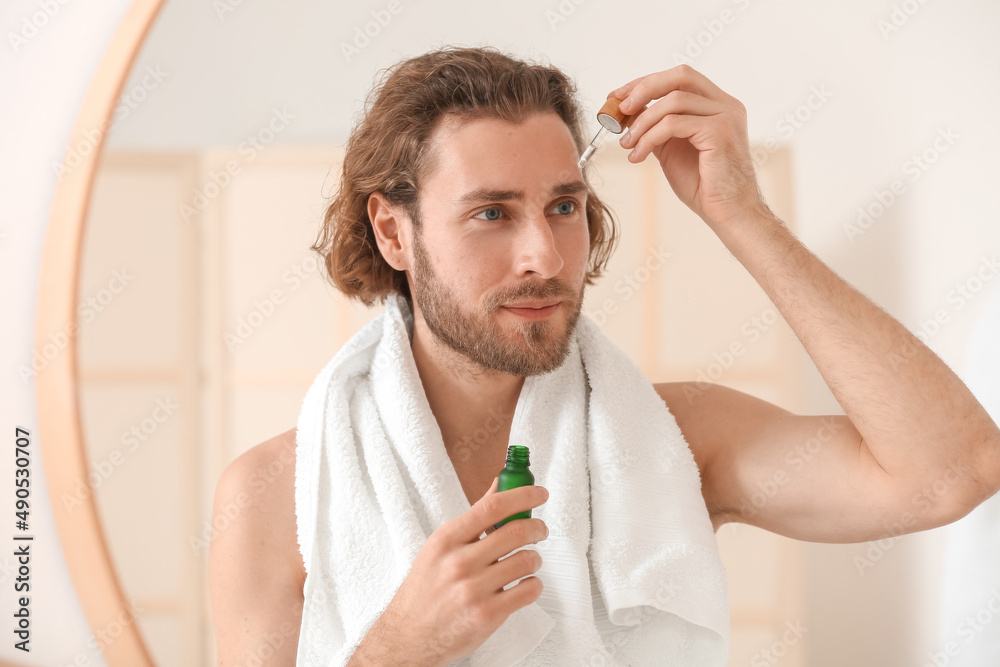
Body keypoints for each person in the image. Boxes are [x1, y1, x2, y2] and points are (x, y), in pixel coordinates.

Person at [209, 45, 1000, 665]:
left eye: (564, 206)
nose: (545, 256)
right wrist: (398, 650)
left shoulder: (678, 439)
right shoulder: (274, 497)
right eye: (491, 212)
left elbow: (952, 470)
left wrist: (743, 214)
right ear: (392, 232)